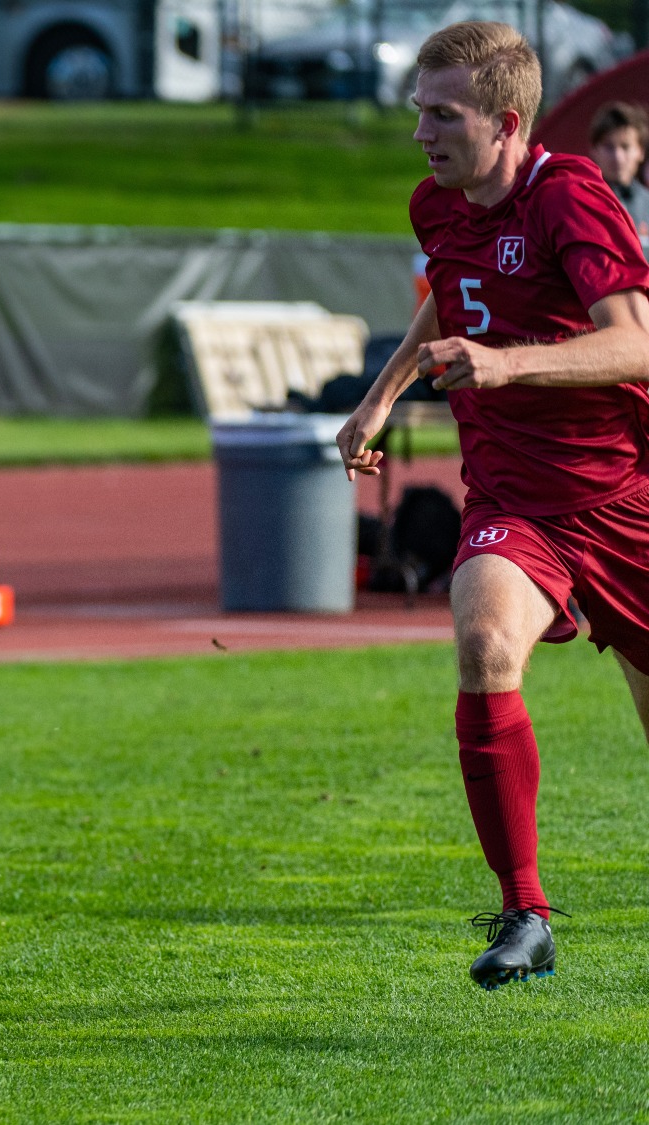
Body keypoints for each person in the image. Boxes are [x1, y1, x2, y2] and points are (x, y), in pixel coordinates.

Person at [337, 22, 649, 990]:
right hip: (513, 497)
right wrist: (379, 394)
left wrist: (507, 364)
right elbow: (447, 293)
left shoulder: (570, 195)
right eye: (416, 112)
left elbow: (635, 343)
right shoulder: (434, 205)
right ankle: (524, 912)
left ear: (504, 123)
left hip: (624, 497)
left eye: (441, 114)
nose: (420, 131)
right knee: (480, 645)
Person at [588, 101, 649, 241]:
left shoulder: (647, 203)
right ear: (594, 150)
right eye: (609, 147)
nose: (618, 157)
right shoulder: (585, 200)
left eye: (625, 147)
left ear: (640, 152)